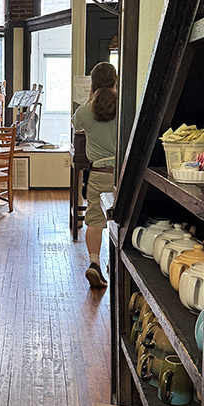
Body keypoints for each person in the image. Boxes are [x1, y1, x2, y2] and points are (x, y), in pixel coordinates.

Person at [72, 61, 117, 289]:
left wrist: (91, 98)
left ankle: (95, 263)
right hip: (122, 174)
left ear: (93, 83)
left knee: (95, 221)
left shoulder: (86, 110)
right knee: (122, 221)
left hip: (99, 172)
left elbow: (76, 123)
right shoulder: (124, 105)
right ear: (115, 81)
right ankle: (118, 267)